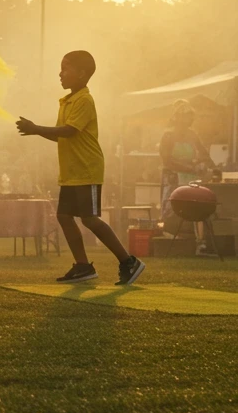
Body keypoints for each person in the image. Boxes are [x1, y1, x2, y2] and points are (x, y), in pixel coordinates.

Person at [16, 51, 144, 285]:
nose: (60, 73)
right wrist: (37, 130)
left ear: (82, 73)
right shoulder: (67, 101)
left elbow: (69, 131)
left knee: (90, 219)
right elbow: (60, 136)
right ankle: (83, 266)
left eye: (66, 68)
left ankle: (128, 261)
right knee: (64, 216)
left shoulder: (84, 100)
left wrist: (36, 128)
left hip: (87, 169)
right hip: (71, 172)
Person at [159, 99, 214, 250]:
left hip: (191, 178)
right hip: (173, 178)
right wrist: (189, 167)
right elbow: (167, 160)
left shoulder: (193, 135)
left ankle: (199, 241)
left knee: (197, 207)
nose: (189, 119)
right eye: (185, 116)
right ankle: (171, 240)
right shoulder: (168, 136)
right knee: (172, 207)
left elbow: (205, 155)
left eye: (190, 116)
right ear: (177, 117)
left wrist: (203, 165)